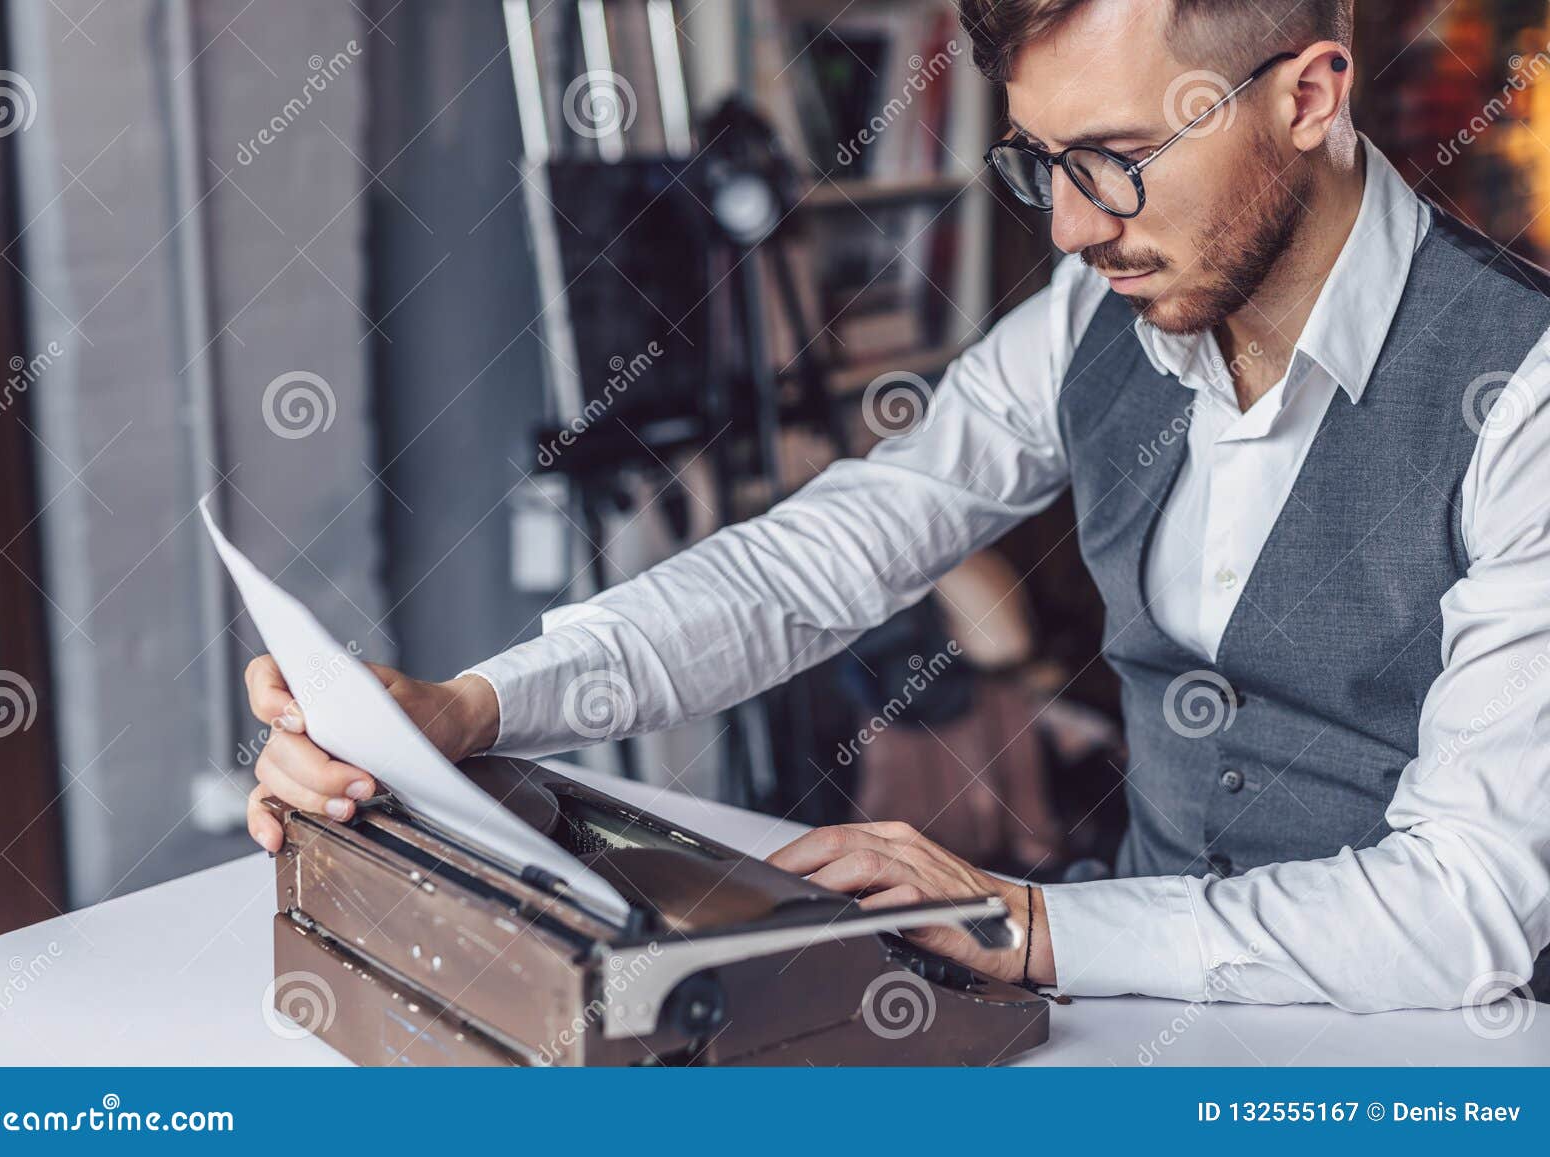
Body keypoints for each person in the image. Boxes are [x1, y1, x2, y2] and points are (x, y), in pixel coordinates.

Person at [244, 0, 1550, 1010]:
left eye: (1117, 158)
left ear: (1309, 95)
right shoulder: (1093, 317)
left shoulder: (1522, 393)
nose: (1071, 228)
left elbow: (1471, 905)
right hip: (1144, 1017)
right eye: (1046, 163)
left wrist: (1027, 923)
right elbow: (818, 561)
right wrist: (468, 708)